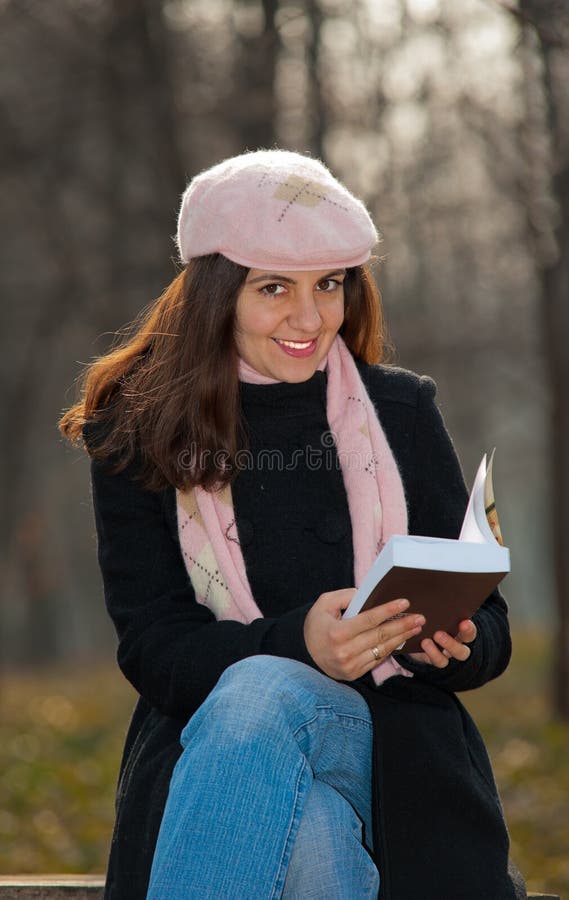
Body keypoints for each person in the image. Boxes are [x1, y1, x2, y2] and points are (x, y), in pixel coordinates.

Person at [59, 150, 526, 900]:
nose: (309, 319)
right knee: (298, 810)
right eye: (273, 288)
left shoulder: (401, 411)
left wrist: (457, 644)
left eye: (329, 285)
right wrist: (296, 642)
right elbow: (154, 648)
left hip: (391, 749)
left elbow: (490, 621)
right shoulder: (139, 427)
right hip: (216, 748)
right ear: (215, 293)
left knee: (260, 691)